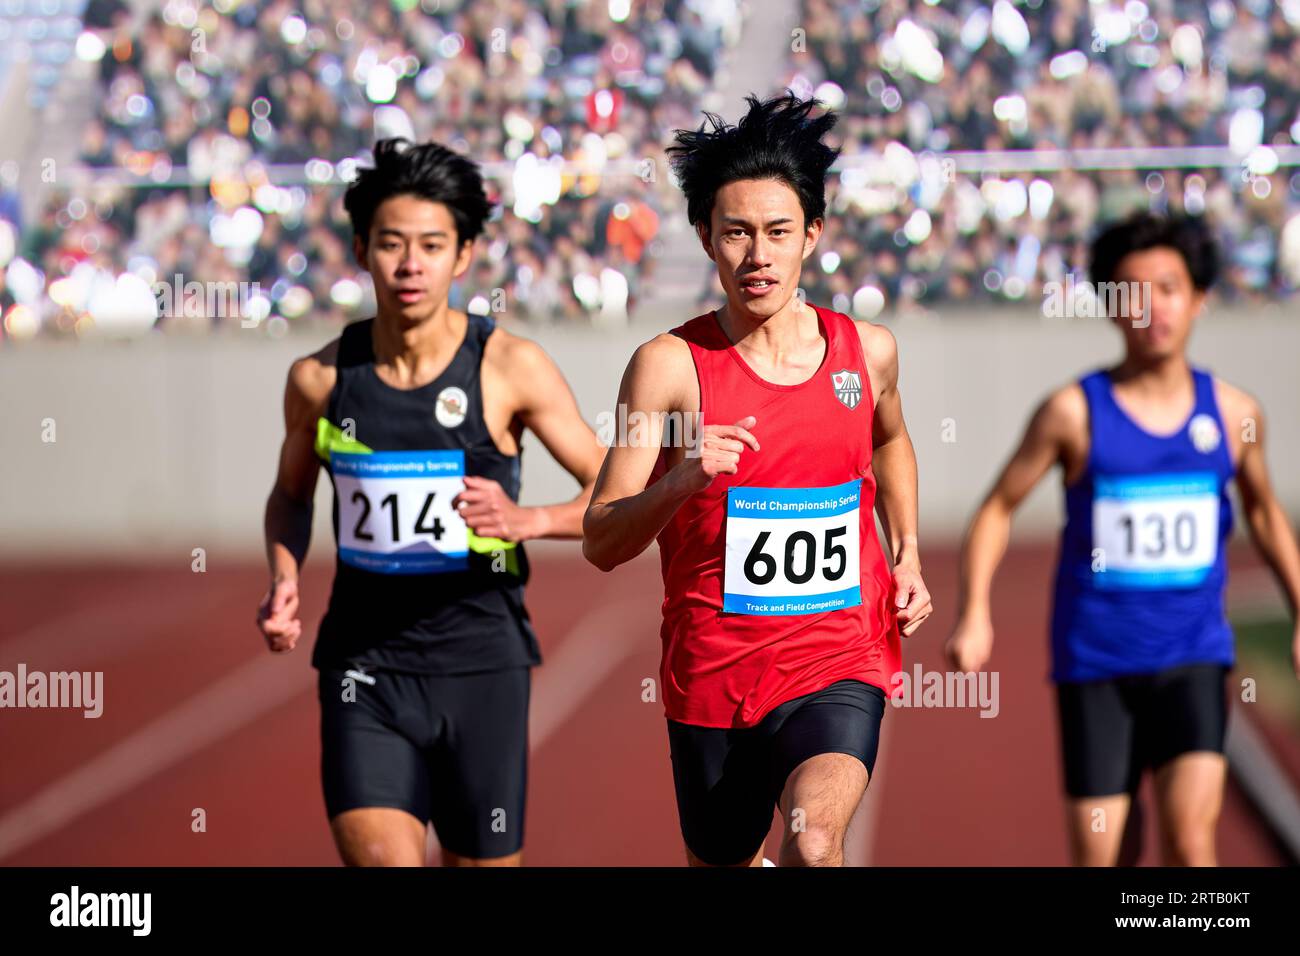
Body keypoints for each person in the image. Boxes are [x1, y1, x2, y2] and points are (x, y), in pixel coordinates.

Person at [583, 93, 933, 867]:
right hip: (713, 676)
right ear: (705, 236)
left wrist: (905, 552)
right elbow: (601, 538)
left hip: (839, 656)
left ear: (812, 233)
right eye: (736, 233)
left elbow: (894, 444)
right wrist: (681, 480)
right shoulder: (667, 369)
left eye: (778, 232)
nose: (758, 256)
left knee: (815, 842)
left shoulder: (867, 352)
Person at [256, 138, 604, 866]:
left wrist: (530, 520)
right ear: (361, 249)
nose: (410, 265)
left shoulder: (509, 368)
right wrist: (284, 578)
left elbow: (612, 488)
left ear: (464, 255)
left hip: (483, 667)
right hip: (363, 667)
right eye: (391, 244)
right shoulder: (320, 380)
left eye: (431, 245)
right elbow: (291, 497)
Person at [946, 211, 1300, 866]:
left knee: (1192, 842)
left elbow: (1265, 513)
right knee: (1104, 859)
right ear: (1111, 306)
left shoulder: (1234, 414)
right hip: (1096, 667)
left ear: (1197, 299)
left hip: (1193, 657)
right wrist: (974, 613)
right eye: (1132, 293)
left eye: (1168, 288)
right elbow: (997, 508)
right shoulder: (1072, 414)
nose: (1152, 309)